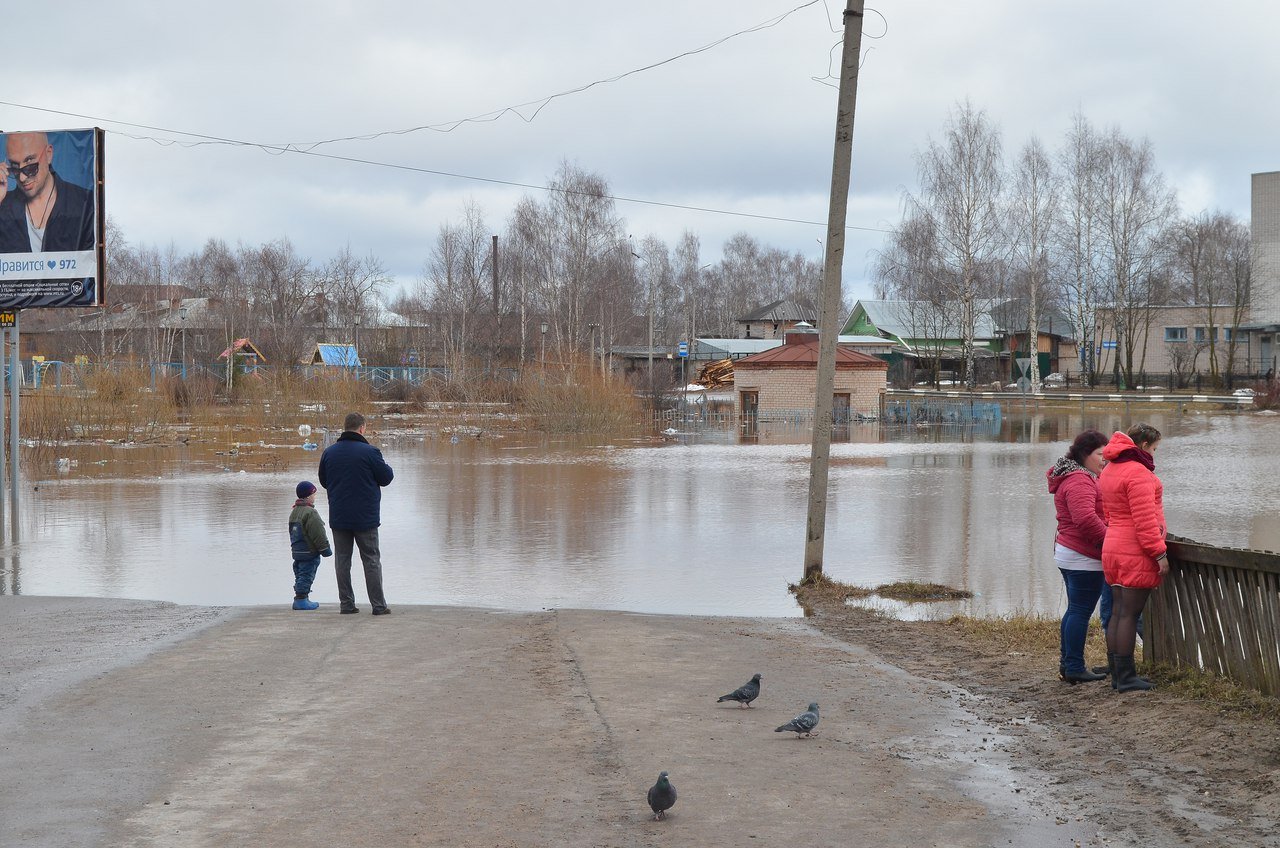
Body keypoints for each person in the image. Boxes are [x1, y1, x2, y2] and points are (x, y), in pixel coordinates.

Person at [1099, 423, 1169, 693]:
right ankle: (1127, 678)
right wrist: (1159, 553)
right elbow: (1144, 522)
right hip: (1134, 550)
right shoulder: (1138, 473)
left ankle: (1118, 674)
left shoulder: (1110, 469)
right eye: (1154, 448)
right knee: (1129, 614)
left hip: (1113, 545)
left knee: (1118, 612)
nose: (1154, 454)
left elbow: (1108, 515)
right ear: (1142, 446)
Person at [1046, 428, 1110, 684]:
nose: (1104, 459)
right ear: (1085, 454)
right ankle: (1073, 666)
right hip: (1082, 555)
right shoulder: (1080, 480)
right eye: (1099, 454)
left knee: (1075, 610)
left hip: (1071, 552)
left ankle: (1068, 664)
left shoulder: (1078, 475)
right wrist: (1111, 541)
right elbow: (1085, 519)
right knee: (1080, 611)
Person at [318, 412, 395, 615]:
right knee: (371, 560)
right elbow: (386, 478)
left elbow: (324, 481)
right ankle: (378, 606)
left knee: (342, 560)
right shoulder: (370, 452)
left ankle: (347, 604)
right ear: (362, 428)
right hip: (365, 518)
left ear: (345, 428)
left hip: (339, 516)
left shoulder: (329, 452)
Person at [0, 131, 95, 253]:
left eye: (30, 164)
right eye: (14, 167)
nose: (22, 178)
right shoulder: (3, 205)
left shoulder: (84, 203)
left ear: (48, 154)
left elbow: (90, 261)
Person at [288, 481, 333, 610]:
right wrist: (325, 550)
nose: (315, 497)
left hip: (297, 550)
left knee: (300, 573)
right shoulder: (311, 513)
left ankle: (301, 596)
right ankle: (301, 600)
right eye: (314, 494)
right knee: (307, 575)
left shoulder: (294, 511)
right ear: (308, 496)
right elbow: (318, 533)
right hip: (309, 551)